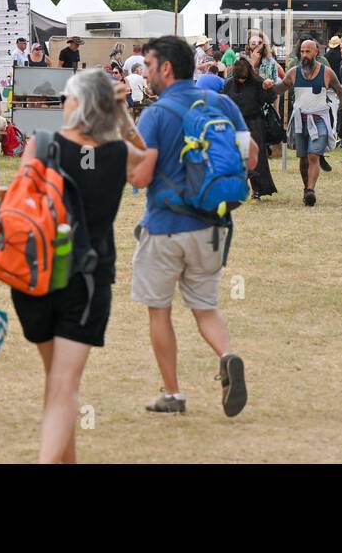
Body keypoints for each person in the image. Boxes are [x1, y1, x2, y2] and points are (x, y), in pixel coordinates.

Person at [0, 69, 144, 460]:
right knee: (63, 387)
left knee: (57, 384)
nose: (62, 103)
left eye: (67, 97)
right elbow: (148, 164)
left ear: (78, 103)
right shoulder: (119, 154)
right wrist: (123, 115)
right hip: (87, 279)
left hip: (34, 277)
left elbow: (11, 210)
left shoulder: (41, 145)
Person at [128, 35, 254, 416]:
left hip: (165, 226)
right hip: (211, 225)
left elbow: (141, 178)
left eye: (149, 66)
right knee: (205, 307)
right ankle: (227, 354)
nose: (146, 74)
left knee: (159, 310)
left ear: (165, 68)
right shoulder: (223, 104)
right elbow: (249, 160)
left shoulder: (156, 113)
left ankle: (173, 393)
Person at [266, 38, 342, 207]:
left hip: (319, 119)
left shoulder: (327, 72)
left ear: (316, 52)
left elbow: (341, 94)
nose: (304, 55)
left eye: (308, 51)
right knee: (304, 158)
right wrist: (269, 86)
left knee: (313, 155)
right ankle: (306, 188)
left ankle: (311, 191)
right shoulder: (293, 72)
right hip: (300, 119)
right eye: (302, 51)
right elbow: (279, 89)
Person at [223, 56, 277, 199]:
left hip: (254, 123)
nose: (241, 81)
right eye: (239, 79)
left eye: (244, 79)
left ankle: (257, 190)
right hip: (235, 124)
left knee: (256, 158)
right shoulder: (229, 84)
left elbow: (270, 98)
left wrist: (268, 88)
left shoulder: (258, 82)